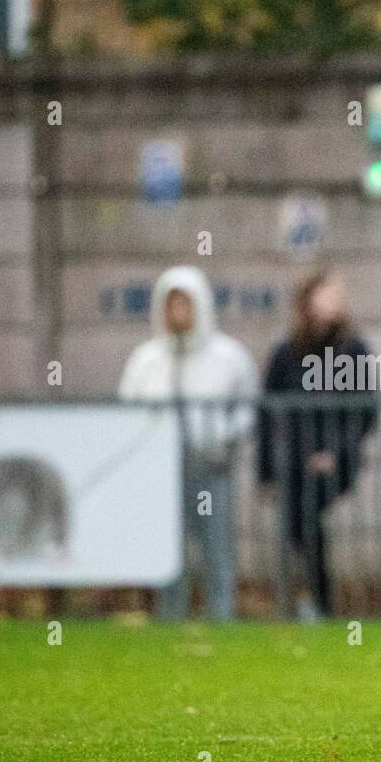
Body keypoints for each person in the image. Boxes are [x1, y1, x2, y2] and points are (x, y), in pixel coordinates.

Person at [118, 266, 257, 621]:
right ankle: (170, 617)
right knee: (168, 551)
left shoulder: (229, 357)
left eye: (185, 304)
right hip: (161, 475)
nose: (177, 313)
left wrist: (218, 435)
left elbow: (248, 409)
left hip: (211, 468)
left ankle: (222, 617)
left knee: (217, 549)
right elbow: (127, 409)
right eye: (170, 305)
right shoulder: (146, 360)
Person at [258, 269, 377, 621]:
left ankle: (316, 600)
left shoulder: (353, 350)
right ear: (308, 300)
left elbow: (364, 411)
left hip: (334, 464)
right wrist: (266, 471)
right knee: (298, 523)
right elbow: (268, 411)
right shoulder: (286, 351)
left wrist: (335, 454)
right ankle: (310, 598)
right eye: (327, 293)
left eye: (338, 294)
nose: (335, 300)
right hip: (292, 460)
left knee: (306, 519)